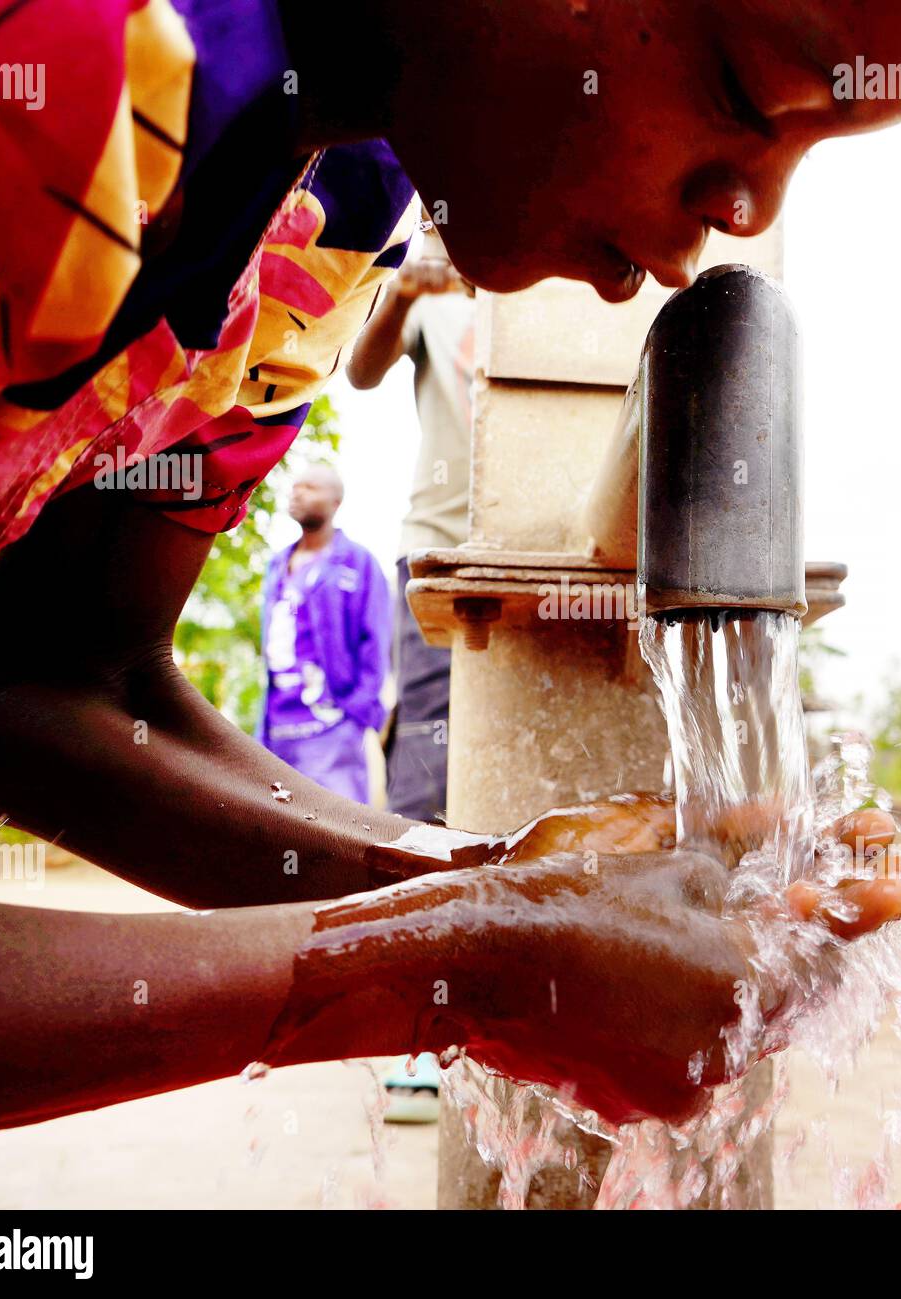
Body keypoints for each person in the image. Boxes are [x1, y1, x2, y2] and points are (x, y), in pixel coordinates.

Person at [0, 0, 901, 1135]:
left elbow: (47, 685)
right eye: (745, 97)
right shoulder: (32, 57)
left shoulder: (332, 209)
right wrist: (465, 967)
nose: (742, 213)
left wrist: (492, 887)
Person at [346, 228, 473, 1118]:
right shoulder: (441, 265)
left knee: (547, 793)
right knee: (423, 789)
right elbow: (357, 370)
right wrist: (401, 288)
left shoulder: (591, 271)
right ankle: (419, 1035)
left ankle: (524, 1020)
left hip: (562, 559)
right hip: (438, 555)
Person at [260, 465, 390, 806]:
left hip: (332, 727)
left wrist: (357, 711)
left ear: (335, 502)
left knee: (338, 829)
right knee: (278, 826)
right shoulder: (276, 565)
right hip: (277, 729)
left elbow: (376, 641)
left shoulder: (359, 563)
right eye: (295, 487)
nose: (298, 493)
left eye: (310, 487)